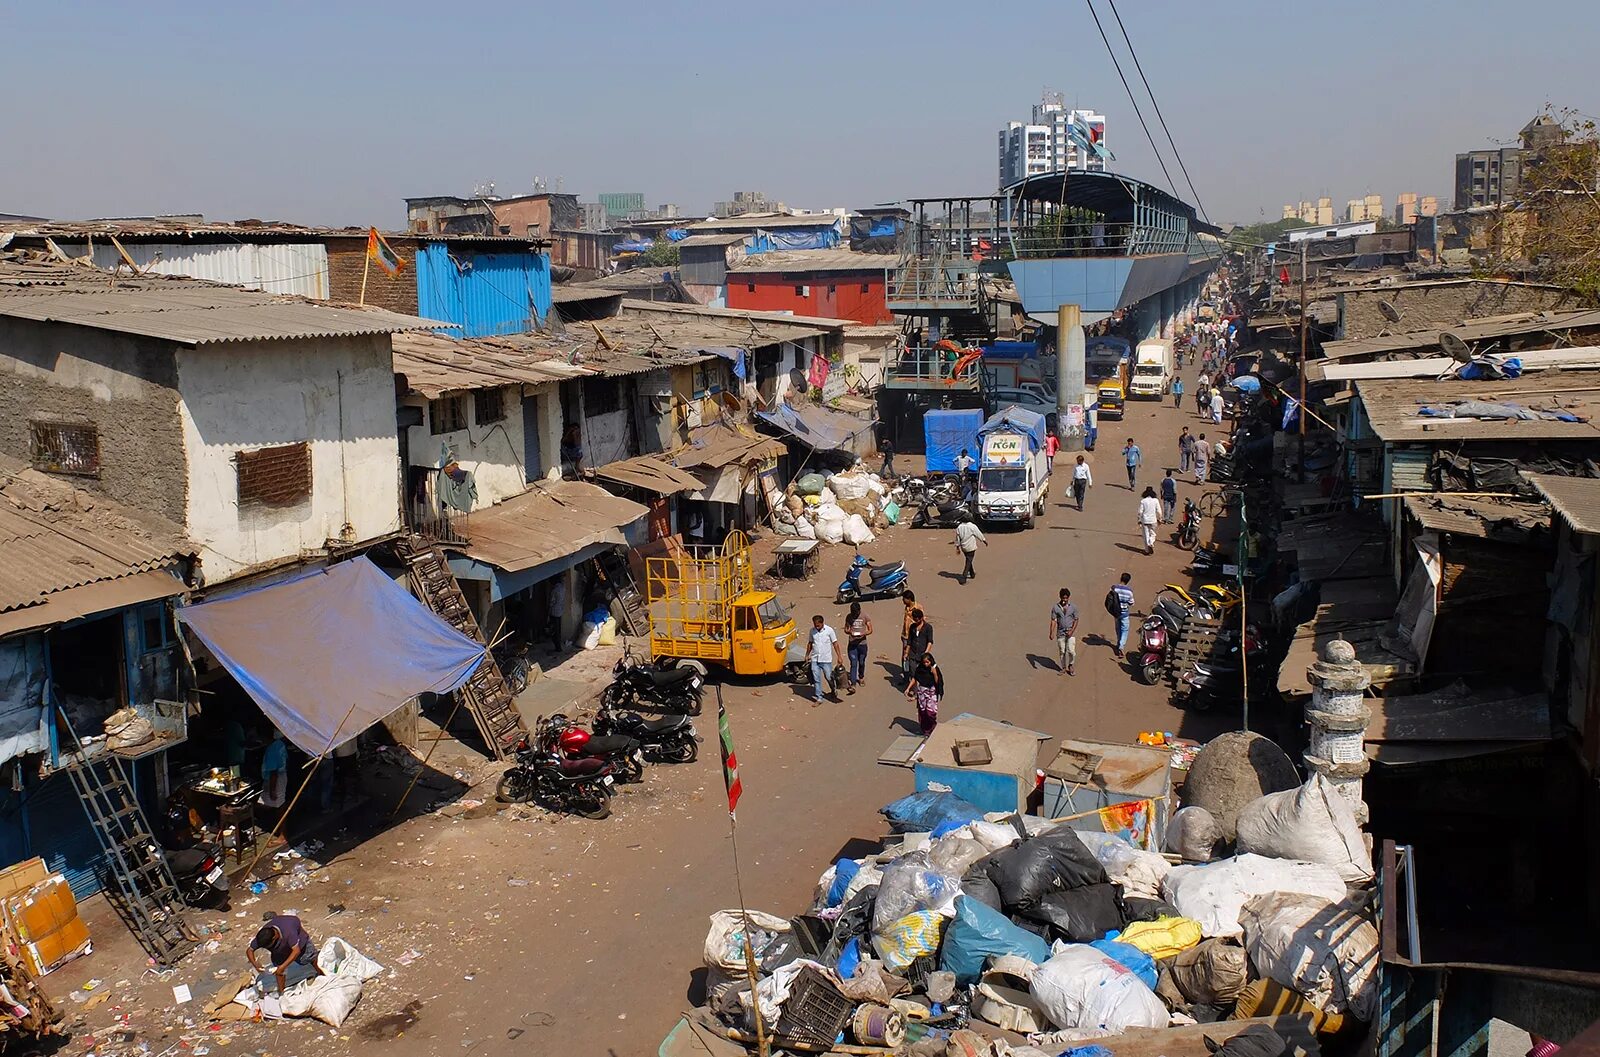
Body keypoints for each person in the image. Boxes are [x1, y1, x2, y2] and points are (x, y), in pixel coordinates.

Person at [249, 913, 321, 994]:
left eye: (269, 946)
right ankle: (282, 992)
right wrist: (255, 964)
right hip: (279, 950)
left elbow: (296, 951)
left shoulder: (289, 931)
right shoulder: (263, 936)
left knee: (311, 959)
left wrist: (283, 966)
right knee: (279, 972)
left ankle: (322, 975)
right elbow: (249, 950)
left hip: (300, 944)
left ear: (275, 937)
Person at [904, 651, 945, 736]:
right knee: (923, 712)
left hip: (931, 693)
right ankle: (926, 731)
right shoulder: (920, 668)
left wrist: (934, 674)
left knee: (930, 712)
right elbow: (915, 678)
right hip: (922, 692)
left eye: (927, 662)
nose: (926, 664)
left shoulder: (935, 668)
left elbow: (938, 682)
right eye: (924, 662)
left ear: (931, 661)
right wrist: (908, 689)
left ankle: (932, 727)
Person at [805, 614, 842, 705]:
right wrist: (807, 655)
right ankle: (819, 698)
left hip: (826, 659)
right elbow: (810, 643)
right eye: (815, 625)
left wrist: (839, 656)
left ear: (822, 623)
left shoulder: (829, 630)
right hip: (815, 659)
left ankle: (833, 690)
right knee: (816, 679)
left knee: (829, 677)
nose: (816, 627)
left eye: (818, 625)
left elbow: (835, 643)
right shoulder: (812, 631)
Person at [1049, 588, 1079, 676]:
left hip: (1071, 633)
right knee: (1062, 651)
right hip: (1060, 632)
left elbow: (1076, 620)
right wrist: (1051, 632)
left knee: (1071, 651)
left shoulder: (1073, 607)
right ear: (1060, 597)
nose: (1064, 600)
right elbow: (1053, 620)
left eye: (1066, 598)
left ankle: (1071, 665)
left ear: (1068, 597)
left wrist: (1072, 631)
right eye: (1063, 598)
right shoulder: (1055, 608)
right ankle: (1063, 667)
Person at [843, 602, 872, 695]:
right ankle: (853, 684)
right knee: (853, 663)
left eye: (856, 613)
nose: (854, 615)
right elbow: (846, 629)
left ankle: (861, 676)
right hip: (852, 644)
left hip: (862, 643)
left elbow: (870, 629)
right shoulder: (849, 617)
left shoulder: (865, 616)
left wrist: (864, 633)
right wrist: (849, 632)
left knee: (862, 661)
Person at [904, 608, 934, 689]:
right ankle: (915, 691)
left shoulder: (928, 627)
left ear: (921, 618)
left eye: (917, 620)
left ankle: (922, 690)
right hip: (913, 654)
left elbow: (930, 641)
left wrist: (926, 653)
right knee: (913, 673)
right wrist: (906, 653)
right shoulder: (912, 627)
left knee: (922, 673)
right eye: (914, 620)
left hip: (922, 654)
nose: (915, 621)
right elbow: (909, 641)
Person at [1108, 572, 1135, 659]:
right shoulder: (1129, 591)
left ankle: (1118, 643)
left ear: (1121, 578)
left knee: (1118, 628)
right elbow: (1131, 603)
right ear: (1128, 581)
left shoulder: (1114, 588)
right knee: (1125, 630)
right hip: (1124, 613)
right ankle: (1121, 646)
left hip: (1116, 613)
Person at [953, 517, 988, 585]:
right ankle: (963, 578)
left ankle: (972, 574)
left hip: (964, 547)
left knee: (969, 559)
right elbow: (978, 534)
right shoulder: (972, 526)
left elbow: (957, 538)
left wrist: (957, 547)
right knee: (968, 561)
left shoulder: (959, 527)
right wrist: (984, 540)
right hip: (971, 546)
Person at [260, 730, 288, 810]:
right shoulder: (280, 744)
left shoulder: (272, 749)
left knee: (276, 803)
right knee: (279, 801)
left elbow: (273, 771)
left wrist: (272, 790)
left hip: (275, 779)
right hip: (282, 775)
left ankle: (280, 821)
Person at [899, 592, 920, 685]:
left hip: (913, 638)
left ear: (909, 599)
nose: (903, 600)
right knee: (904, 659)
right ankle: (905, 678)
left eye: (904, 599)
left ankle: (913, 680)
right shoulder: (907, 608)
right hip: (905, 636)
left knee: (912, 660)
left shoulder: (918, 608)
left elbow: (921, 623)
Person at [545, 575, 567, 652]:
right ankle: (558, 645)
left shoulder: (554, 590)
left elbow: (552, 602)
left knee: (554, 630)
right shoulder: (563, 587)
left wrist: (548, 610)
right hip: (560, 610)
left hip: (554, 611)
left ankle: (557, 647)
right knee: (558, 629)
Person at [1137, 486, 1161, 555]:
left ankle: (1147, 550)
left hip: (1145, 520)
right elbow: (1159, 511)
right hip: (1153, 520)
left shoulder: (1143, 501)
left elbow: (1140, 512)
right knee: (1153, 534)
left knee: (1145, 535)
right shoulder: (1156, 500)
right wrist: (1160, 519)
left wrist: (1139, 520)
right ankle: (1151, 542)